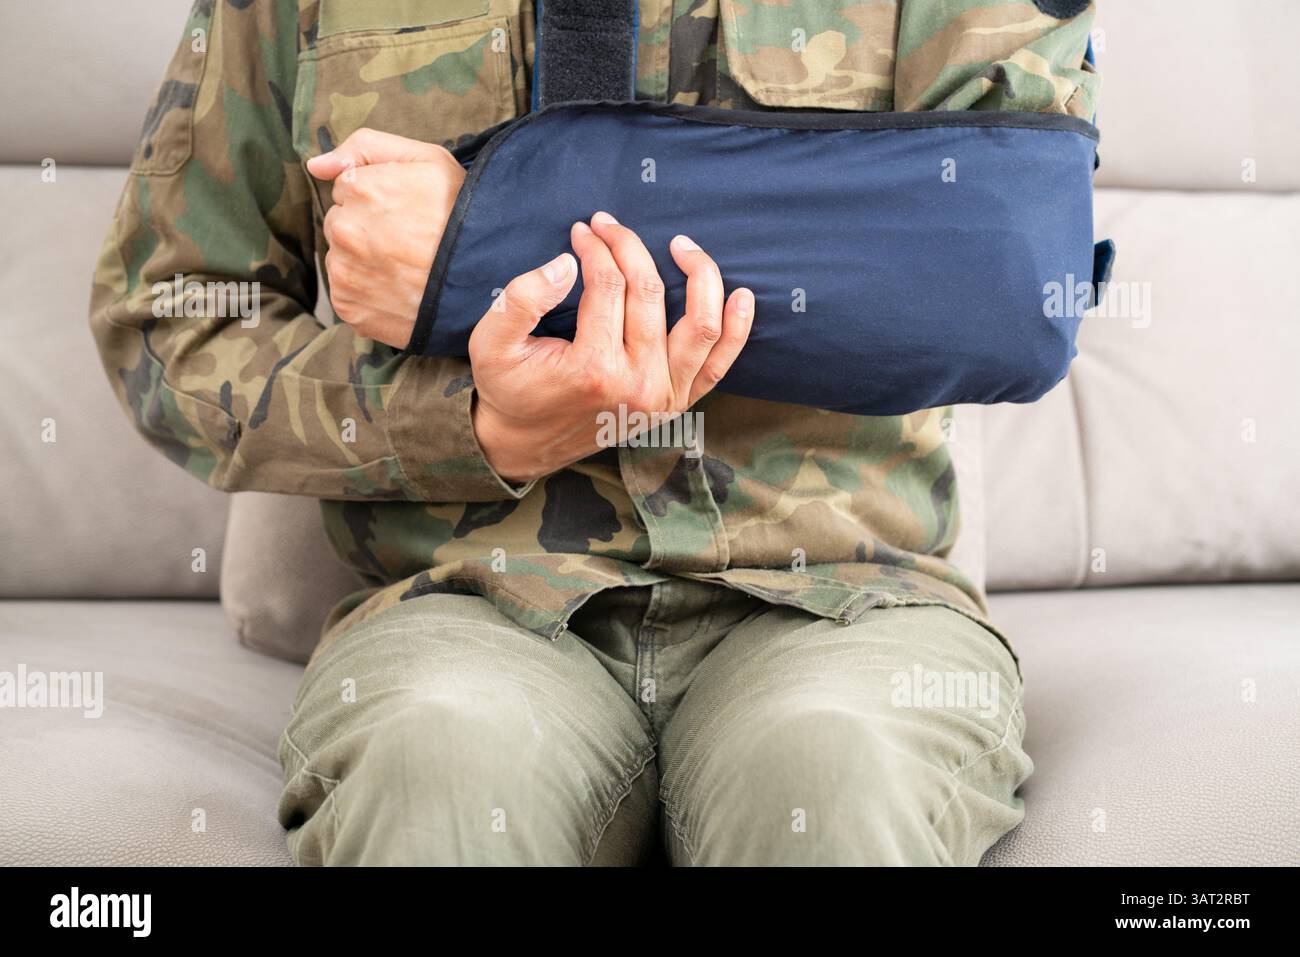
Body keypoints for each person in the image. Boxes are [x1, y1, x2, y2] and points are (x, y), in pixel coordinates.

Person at [90, 0, 1099, 865]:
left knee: (832, 770)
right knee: (434, 766)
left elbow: (1008, 280)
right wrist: (464, 424)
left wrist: (480, 241)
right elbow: (169, 317)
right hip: (467, 603)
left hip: (843, 596)